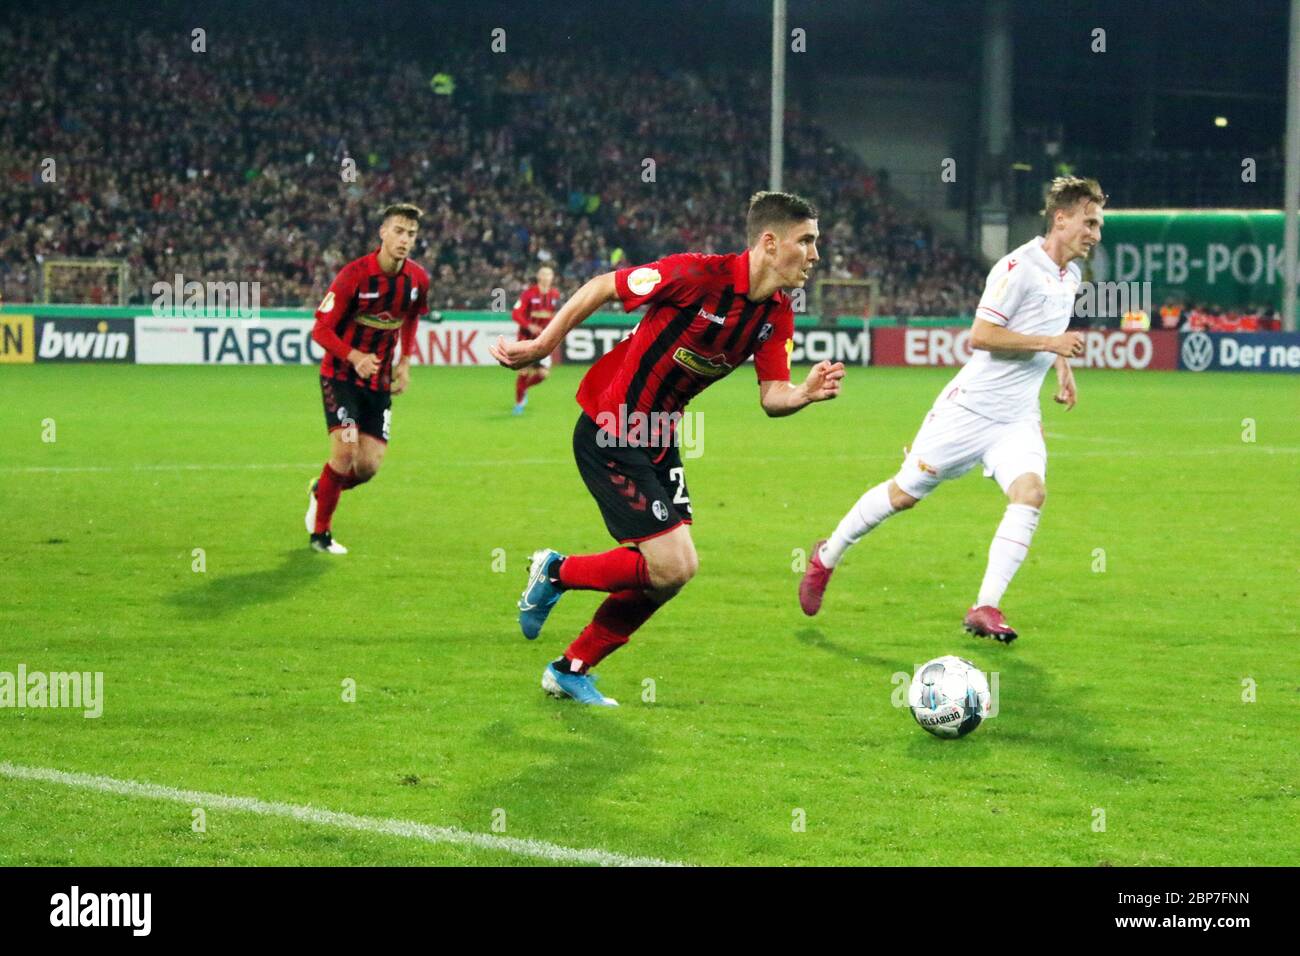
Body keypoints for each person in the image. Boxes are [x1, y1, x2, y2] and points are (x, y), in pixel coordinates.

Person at [489, 191, 846, 705]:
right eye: (806, 241)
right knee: (674, 565)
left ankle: (571, 667)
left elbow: (772, 396)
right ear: (770, 243)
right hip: (610, 426)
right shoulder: (696, 275)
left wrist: (804, 394)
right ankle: (555, 570)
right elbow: (603, 285)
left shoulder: (776, 313)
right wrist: (543, 345)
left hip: (658, 439)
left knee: (668, 578)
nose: (815, 255)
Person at [799, 176, 1104, 642]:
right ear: (1060, 218)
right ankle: (827, 556)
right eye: (1089, 222)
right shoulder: (1017, 267)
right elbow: (981, 336)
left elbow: (1051, 328)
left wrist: (1063, 366)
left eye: (1098, 225)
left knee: (1031, 494)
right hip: (970, 411)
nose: (1095, 234)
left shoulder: (1072, 276)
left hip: (1017, 418)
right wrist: (1051, 342)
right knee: (903, 495)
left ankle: (985, 606)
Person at [304, 203, 430, 554]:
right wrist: (355, 356)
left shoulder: (418, 279)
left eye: (411, 234)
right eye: (399, 232)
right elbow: (320, 329)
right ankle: (321, 534)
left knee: (368, 466)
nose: (405, 240)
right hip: (341, 377)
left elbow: (412, 317)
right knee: (345, 452)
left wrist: (404, 361)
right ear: (383, 233)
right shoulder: (354, 275)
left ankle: (321, 490)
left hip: (378, 384)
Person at [510, 264, 562, 414]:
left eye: (549, 274)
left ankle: (524, 388)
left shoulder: (555, 295)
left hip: (543, 340)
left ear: (552, 278)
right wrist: (529, 325)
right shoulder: (528, 294)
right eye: (544, 274)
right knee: (523, 371)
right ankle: (518, 404)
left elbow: (557, 315)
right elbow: (516, 314)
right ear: (539, 277)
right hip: (525, 339)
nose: (547, 277)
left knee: (543, 374)